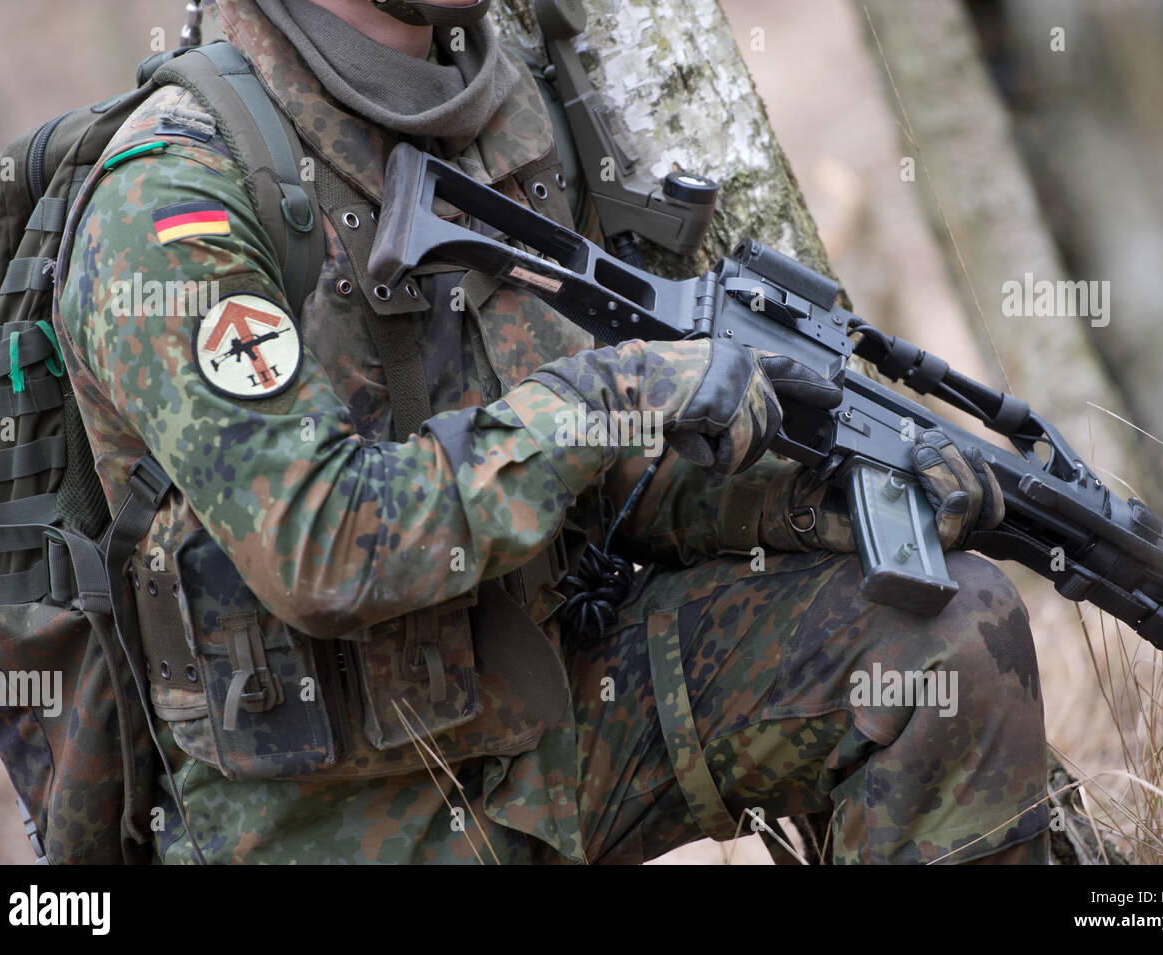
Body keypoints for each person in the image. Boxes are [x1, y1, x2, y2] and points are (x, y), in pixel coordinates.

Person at [52, 0, 1049, 864]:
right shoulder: (175, 199)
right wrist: (612, 392)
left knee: (947, 640)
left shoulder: (495, 107)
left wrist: (822, 498)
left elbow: (598, 475)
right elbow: (319, 547)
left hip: (556, 712)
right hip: (328, 818)